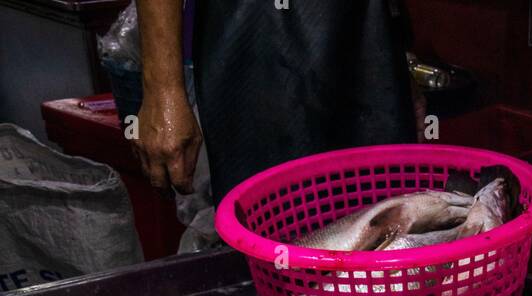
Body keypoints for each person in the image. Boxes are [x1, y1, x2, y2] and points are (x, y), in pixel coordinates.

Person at [134, 0, 418, 206]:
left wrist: (402, 56)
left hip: (365, 24)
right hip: (261, 31)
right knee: (276, 219)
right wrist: (162, 86)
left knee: (389, 209)